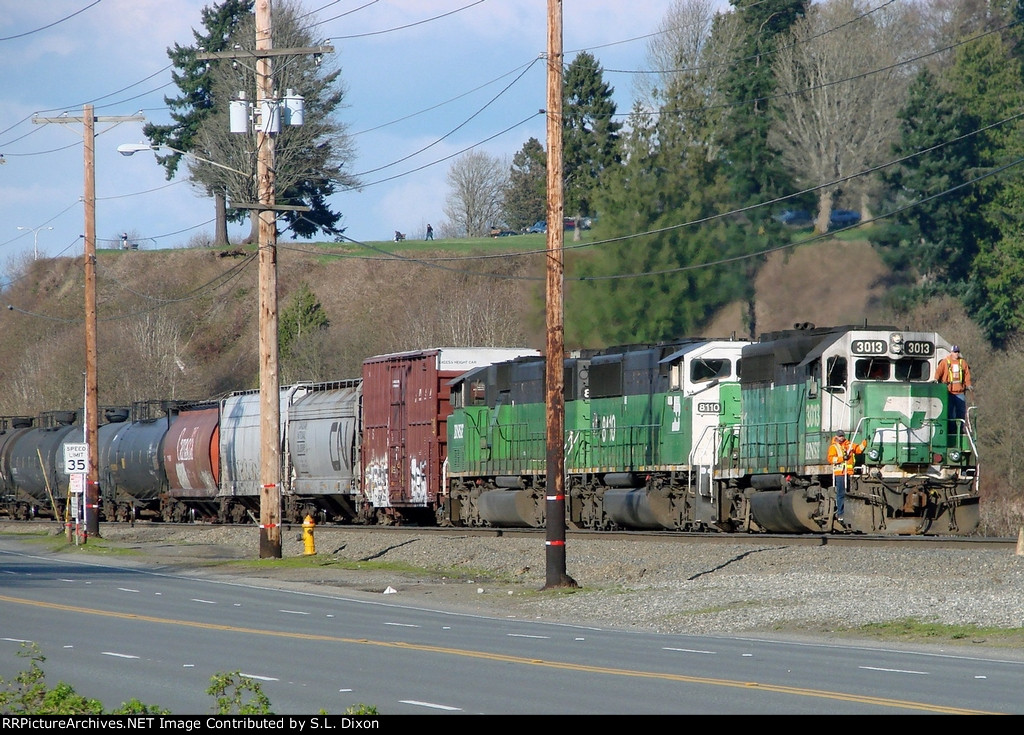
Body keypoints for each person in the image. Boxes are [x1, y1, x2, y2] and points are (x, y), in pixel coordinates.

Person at [827, 430, 865, 526]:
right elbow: (830, 459)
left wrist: (865, 441)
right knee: (841, 494)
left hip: (849, 473)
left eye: (842, 436)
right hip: (840, 474)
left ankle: (850, 513)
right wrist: (841, 459)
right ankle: (841, 513)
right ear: (836, 436)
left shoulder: (849, 445)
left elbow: (859, 449)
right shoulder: (833, 447)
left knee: (849, 494)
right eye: (839, 436)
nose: (841, 438)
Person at [934, 345, 973, 432]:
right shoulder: (945, 362)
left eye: (958, 352)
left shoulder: (963, 363)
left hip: (960, 392)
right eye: (955, 352)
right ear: (951, 352)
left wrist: (969, 384)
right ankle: (950, 430)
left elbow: (967, 374)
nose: (956, 353)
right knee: (949, 412)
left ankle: (959, 429)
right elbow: (938, 371)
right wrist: (936, 379)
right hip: (948, 392)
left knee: (961, 412)